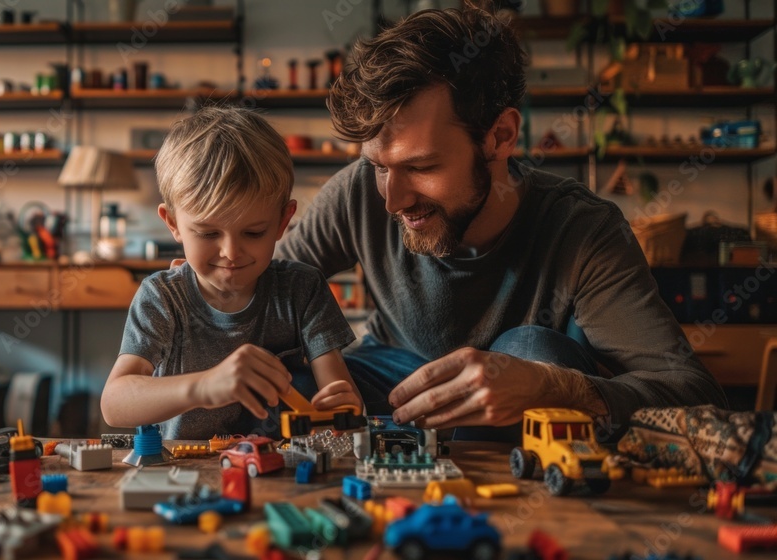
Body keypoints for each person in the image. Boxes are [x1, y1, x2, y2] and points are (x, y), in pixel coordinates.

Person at [275, 6, 727, 441]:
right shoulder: (358, 192)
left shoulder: (581, 230)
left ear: (500, 137)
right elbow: (262, 291)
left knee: (535, 350)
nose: (392, 200)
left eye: (422, 167)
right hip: (393, 393)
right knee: (283, 376)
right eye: (378, 166)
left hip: (513, 421)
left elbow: (696, 394)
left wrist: (558, 389)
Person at [101, 106, 362, 440]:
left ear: (283, 221)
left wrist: (342, 410)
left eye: (253, 233)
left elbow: (339, 394)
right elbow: (114, 404)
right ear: (173, 223)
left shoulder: (303, 289)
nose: (231, 253)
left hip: (284, 471)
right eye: (208, 234)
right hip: (188, 475)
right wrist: (205, 386)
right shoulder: (163, 298)